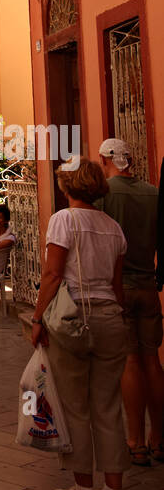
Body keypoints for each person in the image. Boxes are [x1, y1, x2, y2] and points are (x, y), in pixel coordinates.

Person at [31, 157, 131, 490]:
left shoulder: (63, 221)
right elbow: (117, 287)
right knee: (107, 406)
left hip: (74, 319)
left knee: (75, 405)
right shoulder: (113, 228)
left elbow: (54, 274)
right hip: (110, 320)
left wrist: (38, 317)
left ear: (67, 186)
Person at [97, 138, 164, 464]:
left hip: (120, 288)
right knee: (153, 361)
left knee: (131, 361)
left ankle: (135, 441)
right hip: (149, 285)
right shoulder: (153, 193)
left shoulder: (105, 196)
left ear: (106, 160)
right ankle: (159, 439)